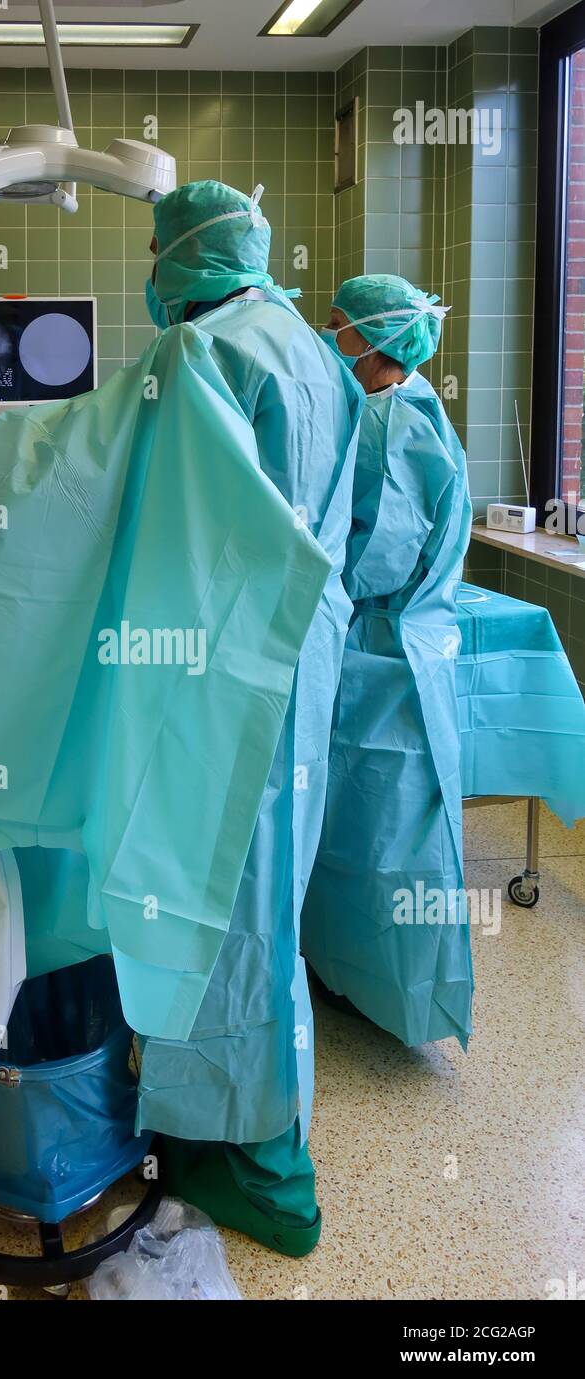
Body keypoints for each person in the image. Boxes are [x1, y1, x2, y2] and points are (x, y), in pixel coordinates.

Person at [141, 181, 363, 1255]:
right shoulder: (311, 346)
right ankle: (261, 1135)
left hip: (228, 660)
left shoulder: (204, 356)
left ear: (181, 254)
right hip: (303, 646)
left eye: (153, 249)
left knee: (221, 903)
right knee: (270, 895)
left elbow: (169, 526)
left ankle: (241, 1159)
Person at [302, 273, 474, 1047]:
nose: (325, 338)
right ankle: (360, 975)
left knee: (383, 836)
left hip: (384, 657)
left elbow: (379, 558)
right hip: (404, 655)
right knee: (377, 826)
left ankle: (385, 987)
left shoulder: (389, 422)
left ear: (371, 342)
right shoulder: (414, 407)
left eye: (336, 326)